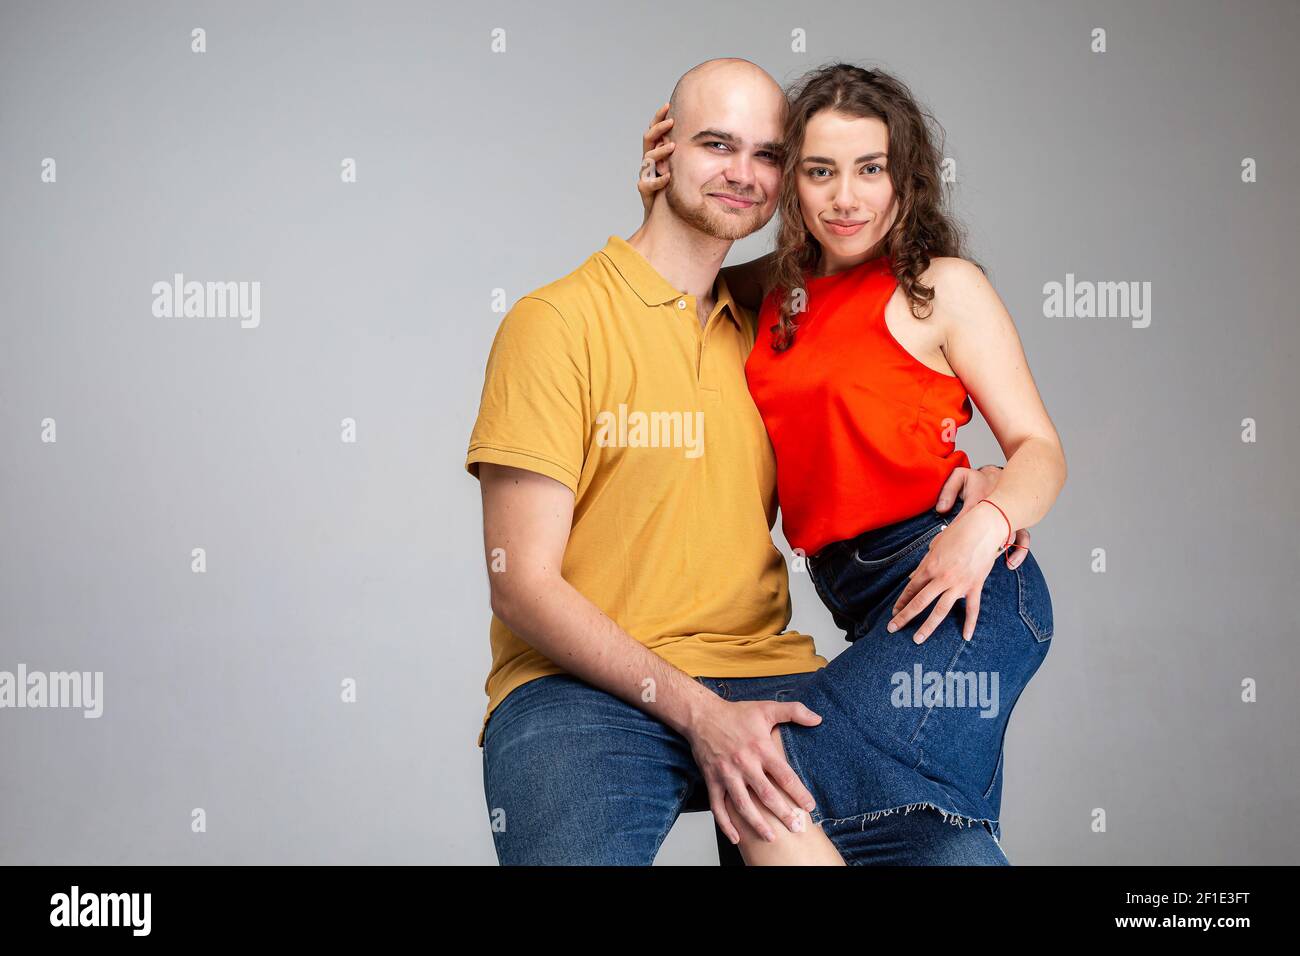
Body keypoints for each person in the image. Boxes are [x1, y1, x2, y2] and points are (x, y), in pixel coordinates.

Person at [466, 57, 1022, 866]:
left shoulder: (773, 323)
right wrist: (696, 714)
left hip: (766, 675)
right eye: (715, 145)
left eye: (768, 155)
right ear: (662, 152)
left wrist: (1002, 485)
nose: (742, 174)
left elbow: (888, 292)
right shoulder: (555, 323)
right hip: (581, 690)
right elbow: (521, 582)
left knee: (947, 844)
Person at [634, 62, 1066, 864]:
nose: (846, 198)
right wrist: (664, 193)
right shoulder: (777, 292)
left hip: (970, 592)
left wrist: (987, 520)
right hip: (868, 609)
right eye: (820, 171)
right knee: (929, 838)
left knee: (768, 778)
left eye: (871, 170)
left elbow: (1040, 451)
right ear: (788, 181)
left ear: (906, 177)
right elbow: (668, 286)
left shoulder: (941, 289)